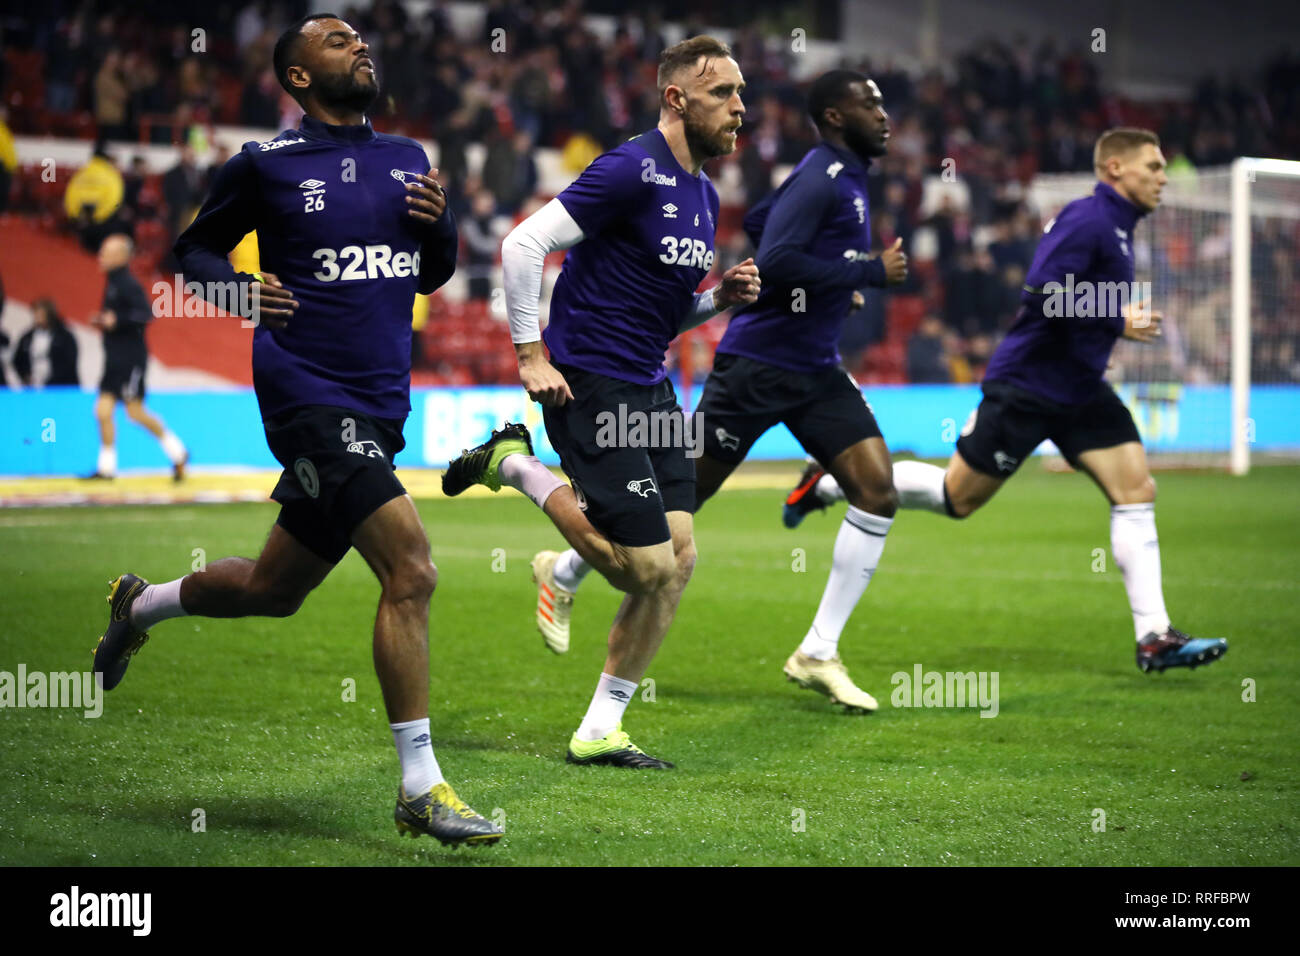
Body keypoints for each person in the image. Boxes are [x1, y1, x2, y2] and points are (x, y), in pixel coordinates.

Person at [92, 14, 500, 848]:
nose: (360, 45)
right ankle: (421, 786)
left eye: (361, 36)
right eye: (337, 39)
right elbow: (192, 252)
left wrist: (442, 224)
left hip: (380, 403)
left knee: (272, 592)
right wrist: (241, 294)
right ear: (299, 77)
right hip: (306, 394)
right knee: (412, 569)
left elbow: (433, 270)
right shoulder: (266, 165)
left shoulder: (407, 159)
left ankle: (143, 604)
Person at [531, 71, 909, 714]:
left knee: (878, 491)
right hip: (754, 368)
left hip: (816, 366)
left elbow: (766, 222)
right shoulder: (822, 173)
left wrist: (831, 284)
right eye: (869, 102)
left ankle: (818, 650)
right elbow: (780, 253)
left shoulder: (831, 179)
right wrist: (868, 271)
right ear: (834, 115)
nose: (884, 114)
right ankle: (562, 568)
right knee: (671, 525)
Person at [788, 128, 1228, 675]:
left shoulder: (1119, 227)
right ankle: (828, 482)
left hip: (1081, 389)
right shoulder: (1088, 219)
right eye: (1154, 167)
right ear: (1115, 168)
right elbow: (1042, 292)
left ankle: (1154, 636)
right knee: (958, 499)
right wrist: (1116, 320)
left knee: (1136, 488)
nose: (1164, 178)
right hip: (1028, 387)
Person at [442, 35, 759, 768]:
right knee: (642, 568)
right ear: (677, 98)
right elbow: (524, 245)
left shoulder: (705, 195)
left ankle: (600, 729)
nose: (740, 108)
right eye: (724, 94)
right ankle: (516, 465)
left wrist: (716, 302)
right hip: (590, 381)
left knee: (678, 560)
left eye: (742, 95)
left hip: (649, 386)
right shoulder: (631, 167)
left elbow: (661, 314)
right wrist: (529, 353)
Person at [86, 234, 189, 480]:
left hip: (130, 360)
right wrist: (105, 321)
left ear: (121, 256)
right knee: (102, 411)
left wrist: (116, 320)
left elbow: (146, 314)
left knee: (135, 413)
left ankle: (177, 452)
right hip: (114, 360)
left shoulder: (127, 284)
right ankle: (106, 468)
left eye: (106, 251)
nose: (100, 255)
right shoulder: (113, 282)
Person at [13, 298, 80, 387]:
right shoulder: (27, 337)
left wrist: (52, 380)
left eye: (40, 314)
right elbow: (17, 359)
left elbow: (70, 362)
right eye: (35, 314)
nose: (37, 317)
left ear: (49, 314)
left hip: (60, 388)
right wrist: (25, 376)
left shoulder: (64, 337)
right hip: (33, 388)